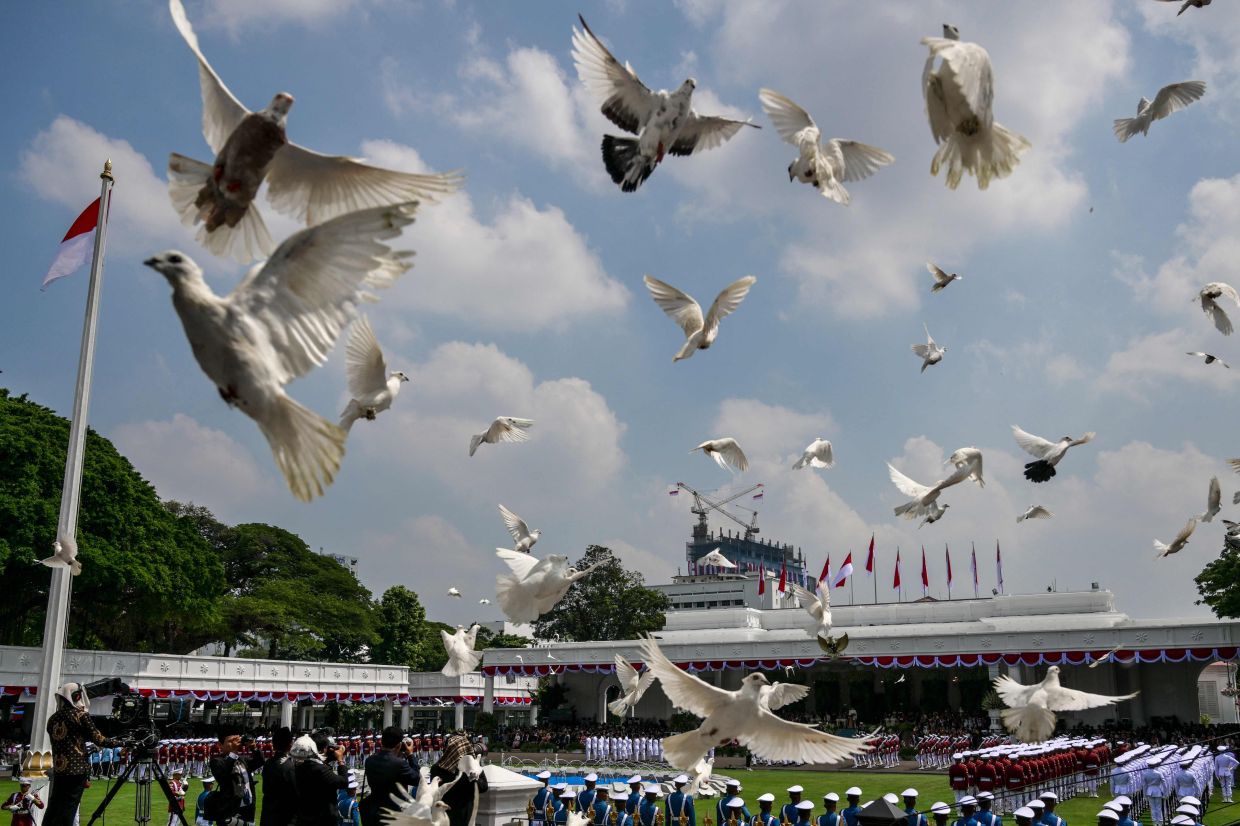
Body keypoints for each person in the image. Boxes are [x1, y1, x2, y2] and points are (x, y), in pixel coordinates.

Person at [44, 682, 116, 826]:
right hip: (76, 769)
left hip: (59, 768)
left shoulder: (53, 718)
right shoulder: (80, 715)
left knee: (55, 805)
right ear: (77, 696)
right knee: (69, 808)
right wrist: (123, 742)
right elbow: (99, 739)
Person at [360, 728, 420, 826]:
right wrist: (410, 755)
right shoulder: (399, 763)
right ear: (399, 745)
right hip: (393, 813)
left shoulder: (370, 760)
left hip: (373, 811)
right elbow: (416, 779)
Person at [209, 727, 265, 826]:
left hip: (248, 808)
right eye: (230, 741)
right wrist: (233, 753)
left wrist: (253, 747)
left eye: (236, 740)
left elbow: (259, 761)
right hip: (231, 810)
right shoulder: (217, 761)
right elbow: (223, 778)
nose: (235, 744)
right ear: (220, 745)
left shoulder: (242, 760)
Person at [292, 733, 350, 826]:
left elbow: (317, 763)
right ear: (323, 749)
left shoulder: (301, 767)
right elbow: (343, 782)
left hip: (305, 817)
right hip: (322, 818)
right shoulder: (320, 769)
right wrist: (340, 761)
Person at [431, 734, 488, 826]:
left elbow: (483, 787)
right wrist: (472, 771)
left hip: (443, 817)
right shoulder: (467, 769)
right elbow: (483, 787)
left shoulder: (435, 768)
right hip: (461, 818)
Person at [260, 727, 297, 826]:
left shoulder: (269, 763)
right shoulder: (289, 766)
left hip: (268, 815)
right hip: (284, 817)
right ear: (290, 745)